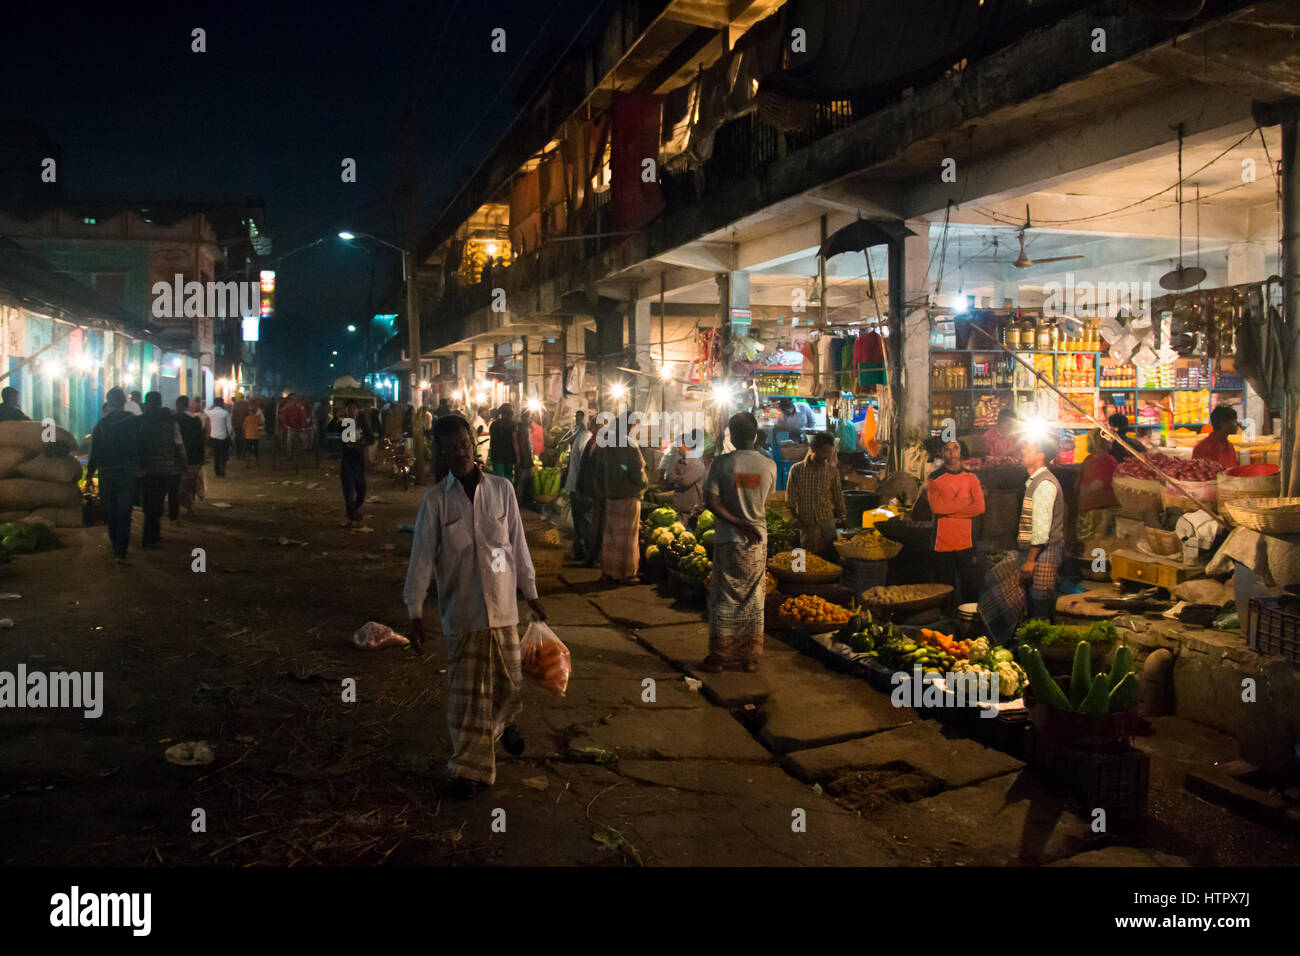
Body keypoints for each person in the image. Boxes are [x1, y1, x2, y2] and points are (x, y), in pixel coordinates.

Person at [404, 415, 546, 799]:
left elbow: (517, 545)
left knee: (510, 687)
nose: (459, 451)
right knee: (468, 702)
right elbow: (421, 559)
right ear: (442, 452)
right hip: (463, 613)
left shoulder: (502, 490)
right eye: (449, 447)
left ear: (473, 442)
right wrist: (414, 610)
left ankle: (501, 727)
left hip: (503, 610)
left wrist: (530, 592)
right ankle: (468, 772)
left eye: (463, 442)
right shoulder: (435, 501)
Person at [701, 412, 776, 673]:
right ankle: (749, 657)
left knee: (725, 596)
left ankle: (719, 657)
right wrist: (748, 522)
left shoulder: (721, 464)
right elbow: (762, 500)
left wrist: (737, 522)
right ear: (755, 436)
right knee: (753, 599)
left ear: (730, 434)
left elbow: (711, 502)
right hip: (757, 540)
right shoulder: (769, 465)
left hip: (728, 539)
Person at [924, 440, 986, 604]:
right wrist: (966, 502)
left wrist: (949, 509)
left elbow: (979, 508)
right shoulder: (934, 478)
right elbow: (937, 508)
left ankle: (969, 626)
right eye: (947, 449)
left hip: (966, 543)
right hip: (941, 544)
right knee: (943, 591)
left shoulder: (971, 477)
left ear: (961, 451)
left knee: (970, 589)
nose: (952, 453)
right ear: (942, 453)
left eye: (955, 448)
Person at [86, 388, 140, 563]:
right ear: (124, 402)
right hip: (127, 471)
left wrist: (89, 474)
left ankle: (114, 541)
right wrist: (141, 465)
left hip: (107, 472)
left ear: (109, 402)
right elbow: (141, 445)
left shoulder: (102, 424)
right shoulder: (133, 422)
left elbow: (94, 452)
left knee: (111, 509)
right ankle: (120, 551)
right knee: (124, 511)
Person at [1019, 437, 1066, 620]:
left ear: (1040, 455)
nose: (1023, 450)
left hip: (1044, 552)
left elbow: (1041, 529)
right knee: (1033, 602)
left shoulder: (1044, 484)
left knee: (1040, 605)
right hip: (1038, 552)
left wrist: (1031, 560)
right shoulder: (1035, 481)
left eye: (1028, 446)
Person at [598, 413, 648, 582]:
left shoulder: (609, 442)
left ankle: (609, 570)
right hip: (628, 495)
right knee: (628, 536)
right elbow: (636, 469)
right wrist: (642, 483)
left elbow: (610, 466)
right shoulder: (629, 443)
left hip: (612, 494)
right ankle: (626, 573)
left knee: (612, 534)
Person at [785, 431, 845, 559]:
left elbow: (838, 496)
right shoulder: (797, 469)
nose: (827, 456)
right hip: (807, 523)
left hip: (827, 523)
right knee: (808, 560)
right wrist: (796, 518)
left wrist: (843, 516)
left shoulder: (832, 472)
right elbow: (790, 498)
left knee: (828, 560)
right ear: (813, 448)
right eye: (824, 451)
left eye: (829, 452)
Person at [137, 391, 185, 549]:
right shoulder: (171, 422)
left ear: (146, 402)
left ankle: (151, 536)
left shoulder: (139, 421)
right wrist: (183, 464)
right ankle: (151, 537)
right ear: (160, 402)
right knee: (156, 505)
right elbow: (179, 445)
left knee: (148, 504)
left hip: (144, 470)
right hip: (164, 468)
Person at [336, 400, 373, 528]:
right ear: (346, 410)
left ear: (357, 410)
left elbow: (371, 438)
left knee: (361, 492)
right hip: (347, 462)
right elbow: (331, 430)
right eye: (349, 408)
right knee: (348, 492)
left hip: (359, 462)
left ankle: (352, 511)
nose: (352, 411)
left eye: (354, 408)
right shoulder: (343, 423)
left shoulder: (362, 423)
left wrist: (362, 443)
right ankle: (352, 514)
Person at [566, 410, 593, 561]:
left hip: (577, 485)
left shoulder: (584, 436)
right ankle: (582, 551)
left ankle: (579, 548)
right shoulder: (586, 438)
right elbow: (585, 462)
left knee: (580, 521)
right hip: (579, 486)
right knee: (583, 521)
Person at [665, 429, 708, 515]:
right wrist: (679, 478)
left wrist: (676, 478)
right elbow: (669, 478)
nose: (677, 450)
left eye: (679, 447)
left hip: (691, 512)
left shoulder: (697, 464)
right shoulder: (679, 462)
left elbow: (685, 482)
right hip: (677, 508)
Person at [174, 396, 205, 514]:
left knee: (181, 483)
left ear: (179, 406)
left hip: (180, 456)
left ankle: (184, 506)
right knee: (192, 481)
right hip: (195, 455)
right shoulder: (196, 420)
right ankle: (190, 505)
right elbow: (200, 439)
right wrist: (201, 457)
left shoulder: (176, 419)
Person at [1077, 428, 1118, 512]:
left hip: (1086, 509)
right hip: (1106, 508)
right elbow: (1117, 484)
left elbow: (1077, 484)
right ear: (1106, 442)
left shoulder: (1087, 460)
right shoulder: (1110, 460)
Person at [1193, 405, 1240, 471]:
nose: (1237, 424)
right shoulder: (1202, 448)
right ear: (1223, 424)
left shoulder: (1230, 446)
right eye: (1234, 421)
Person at [488, 403, 518, 479]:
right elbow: (515, 442)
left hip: (496, 456)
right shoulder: (512, 425)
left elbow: (492, 440)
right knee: (508, 477)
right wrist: (518, 457)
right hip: (509, 456)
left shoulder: (493, 424)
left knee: (498, 479)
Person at [205, 397, 233, 477]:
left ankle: (217, 472)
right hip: (223, 437)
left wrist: (211, 407)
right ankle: (222, 467)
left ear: (215, 404)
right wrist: (231, 436)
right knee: (223, 454)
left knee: (216, 455)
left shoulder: (211, 413)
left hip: (213, 436)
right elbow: (229, 426)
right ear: (221, 403)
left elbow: (205, 410)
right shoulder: (225, 413)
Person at [242, 401, 265, 467]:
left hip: (248, 436)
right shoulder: (258, 418)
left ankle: (247, 463)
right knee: (256, 450)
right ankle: (257, 462)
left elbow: (243, 427)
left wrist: (245, 432)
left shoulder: (247, 418)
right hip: (256, 436)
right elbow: (261, 424)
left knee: (248, 450)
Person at [231, 393, 249, 460]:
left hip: (237, 425)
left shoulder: (235, 405)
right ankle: (243, 454)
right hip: (245, 425)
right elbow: (248, 414)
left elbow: (233, 416)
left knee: (237, 439)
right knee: (244, 439)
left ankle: (238, 454)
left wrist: (232, 425)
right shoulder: (246, 404)